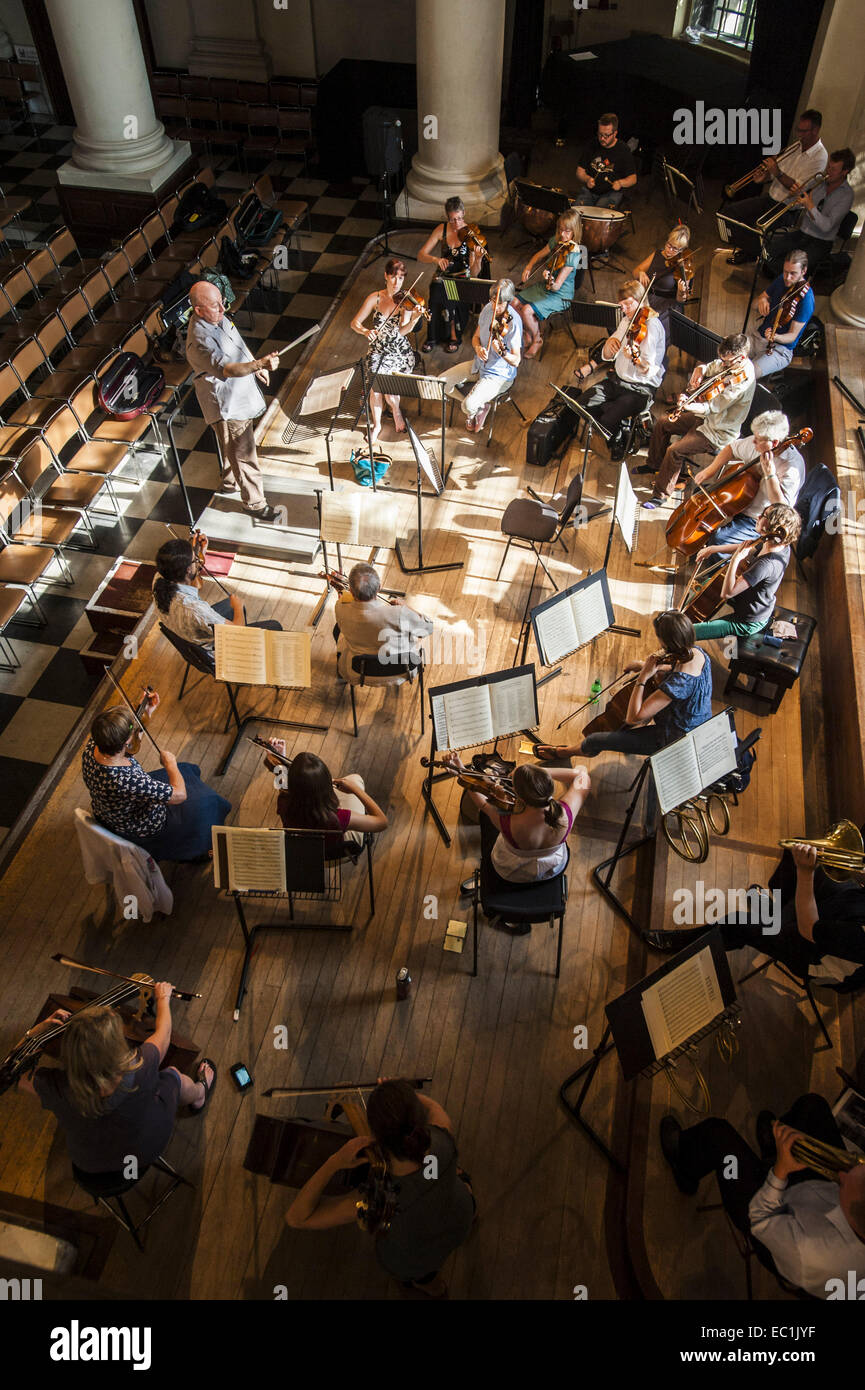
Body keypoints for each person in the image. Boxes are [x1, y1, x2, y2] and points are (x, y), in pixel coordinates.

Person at [285, 1078, 476, 1298]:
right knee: (460, 1184)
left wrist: (335, 1162)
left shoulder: (378, 1200)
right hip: (461, 1215)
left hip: (419, 1257)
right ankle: (474, 1217)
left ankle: (430, 1285)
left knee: (418, 1270)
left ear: (374, 1136)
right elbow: (434, 1107)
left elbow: (296, 1218)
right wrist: (399, 1098)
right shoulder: (441, 1139)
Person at [660, 1094, 865, 1298]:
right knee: (813, 1107)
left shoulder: (815, 1255)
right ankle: (773, 1152)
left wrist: (780, 1172)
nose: (843, 1174)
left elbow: (761, 1217)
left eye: (846, 1181)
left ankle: (683, 1164)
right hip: (816, 1199)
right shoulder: (850, 1197)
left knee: (718, 1138)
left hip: (770, 1223)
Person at [16, 992, 215, 1175]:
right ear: (115, 1045)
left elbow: (12, 1075)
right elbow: (164, 1032)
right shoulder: (140, 1064)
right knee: (172, 1075)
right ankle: (199, 1094)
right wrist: (163, 998)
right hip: (144, 1152)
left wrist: (34, 1035)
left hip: (89, 1164)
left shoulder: (54, 1087)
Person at [534, 610, 712, 763]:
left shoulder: (677, 684)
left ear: (667, 644)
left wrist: (643, 677)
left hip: (675, 737)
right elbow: (675, 667)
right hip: (699, 721)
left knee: (596, 739)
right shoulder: (697, 653)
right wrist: (643, 665)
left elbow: (633, 718)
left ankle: (563, 752)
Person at [82, 697, 230, 861]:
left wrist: (145, 713)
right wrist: (171, 764)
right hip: (141, 824)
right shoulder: (126, 780)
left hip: (109, 810)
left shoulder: (96, 745)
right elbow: (180, 795)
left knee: (187, 771)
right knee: (208, 803)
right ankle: (197, 850)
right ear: (125, 741)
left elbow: (129, 747)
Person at [185, 279, 280, 521]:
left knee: (233, 447)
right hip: (227, 404)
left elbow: (237, 343)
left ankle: (229, 483)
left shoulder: (217, 317)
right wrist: (259, 364)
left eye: (222, 302)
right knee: (244, 452)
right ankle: (255, 504)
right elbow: (226, 369)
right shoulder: (199, 340)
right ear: (198, 310)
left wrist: (256, 366)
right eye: (215, 305)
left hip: (240, 394)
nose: (222, 308)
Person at [444, 759, 590, 905]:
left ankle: (490, 880)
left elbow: (482, 803)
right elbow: (582, 776)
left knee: (486, 817)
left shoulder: (507, 821)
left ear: (519, 796)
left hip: (510, 873)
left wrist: (461, 772)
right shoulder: (566, 813)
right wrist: (539, 774)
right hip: (551, 870)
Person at [640, 334, 755, 506]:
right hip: (704, 418)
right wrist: (700, 369)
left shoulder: (740, 383)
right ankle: (654, 464)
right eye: (722, 360)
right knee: (663, 423)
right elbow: (713, 367)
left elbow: (711, 407)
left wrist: (687, 405)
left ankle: (661, 495)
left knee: (675, 450)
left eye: (727, 362)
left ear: (742, 357)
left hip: (718, 431)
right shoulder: (730, 364)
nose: (723, 364)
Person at [682, 409, 805, 550]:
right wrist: (710, 470)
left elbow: (781, 508)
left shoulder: (792, 468)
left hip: (757, 518)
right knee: (699, 495)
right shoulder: (757, 443)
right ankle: (693, 540)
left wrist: (770, 474)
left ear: (775, 442)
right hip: (737, 500)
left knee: (719, 540)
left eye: (758, 439)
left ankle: (713, 566)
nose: (753, 441)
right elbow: (731, 449)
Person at [571, 278, 665, 461]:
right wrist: (608, 344)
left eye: (628, 305)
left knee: (605, 421)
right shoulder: (628, 320)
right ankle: (618, 423)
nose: (624, 310)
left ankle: (617, 438)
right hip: (617, 381)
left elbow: (648, 369)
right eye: (621, 305)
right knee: (582, 404)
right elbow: (607, 355)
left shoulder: (652, 328)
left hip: (640, 389)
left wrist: (635, 360)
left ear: (641, 301)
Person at [725, 110, 827, 264]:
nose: (799, 134)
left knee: (755, 229)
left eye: (803, 131)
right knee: (731, 212)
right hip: (770, 198)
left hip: (786, 209)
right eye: (798, 129)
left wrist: (776, 172)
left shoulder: (820, 157)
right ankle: (748, 249)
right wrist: (764, 177)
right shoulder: (797, 146)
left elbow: (798, 188)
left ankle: (750, 253)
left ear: (815, 130)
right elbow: (775, 174)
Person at [689, 503, 801, 642]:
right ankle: (683, 617)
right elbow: (747, 547)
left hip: (748, 620)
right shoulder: (776, 543)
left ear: (774, 527)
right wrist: (713, 549)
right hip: (747, 600)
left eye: (763, 515)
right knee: (707, 586)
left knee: (689, 632)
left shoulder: (766, 565)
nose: (758, 516)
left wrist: (736, 559)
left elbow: (727, 593)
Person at [153, 535, 281, 648]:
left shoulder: (159, 578)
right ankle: (241, 648)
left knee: (227, 606)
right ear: (187, 569)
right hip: (210, 648)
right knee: (274, 626)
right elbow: (238, 629)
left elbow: (191, 579)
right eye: (195, 559)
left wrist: (201, 552)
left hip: (184, 635)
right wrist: (238, 608)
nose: (197, 560)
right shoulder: (196, 609)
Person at [350, 258, 423, 442]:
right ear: (386, 276)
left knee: (388, 386)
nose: (396, 283)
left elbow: (402, 331)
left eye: (400, 278)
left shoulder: (405, 301)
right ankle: (377, 425)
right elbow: (354, 323)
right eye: (393, 277)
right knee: (376, 385)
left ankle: (396, 410)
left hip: (399, 351)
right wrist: (365, 331)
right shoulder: (375, 297)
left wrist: (414, 319)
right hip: (377, 349)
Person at [263, 745, 387, 853]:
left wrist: (279, 757)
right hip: (336, 854)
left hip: (303, 852)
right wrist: (355, 789)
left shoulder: (284, 801)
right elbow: (382, 822)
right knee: (355, 778)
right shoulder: (338, 818)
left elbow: (280, 777)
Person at [333, 562, 432, 686]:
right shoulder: (398, 613)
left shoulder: (340, 607)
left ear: (351, 592)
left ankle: (341, 680)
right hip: (402, 669)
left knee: (337, 630)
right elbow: (428, 628)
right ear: (379, 588)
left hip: (361, 672)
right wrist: (407, 608)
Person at [767, 147, 856, 277]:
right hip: (802, 233)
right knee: (769, 252)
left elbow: (826, 226)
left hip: (821, 242)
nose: (828, 172)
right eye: (828, 167)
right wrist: (795, 194)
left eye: (833, 169)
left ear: (844, 172)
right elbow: (797, 197)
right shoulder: (819, 181)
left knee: (788, 270)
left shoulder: (847, 195)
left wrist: (809, 205)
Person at [418, 196, 488, 354]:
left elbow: (474, 272)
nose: (456, 224)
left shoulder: (471, 234)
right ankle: (432, 337)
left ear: (464, 213)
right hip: (443, 274)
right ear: (447, 217)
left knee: (451, 299)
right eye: (452, 220)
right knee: (435, 296)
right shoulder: (441, 229)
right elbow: (421, 254)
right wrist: (436, 259)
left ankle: (454, 337)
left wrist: (477, 258)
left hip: (462, 277)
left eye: (459, 219)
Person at [515, 209, 585, 358]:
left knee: (526, 310)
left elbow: (557, 286)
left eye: (567, 231)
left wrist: (549, 279)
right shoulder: (556, 240)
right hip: (546, 287)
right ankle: (528, 330)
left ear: (574, 232)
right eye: (560, 230)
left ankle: (537, 338)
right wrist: (529, 266)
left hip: (560, 294)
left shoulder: (574, 252)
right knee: (514, 302)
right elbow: (539, 255)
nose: (563, 235)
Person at [460, 277, 522, 432]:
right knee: (442, 384)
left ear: (508, 301)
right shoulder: (488, 309)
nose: (495, 307)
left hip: (499, 375)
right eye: (493, 301)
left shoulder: (514, 323)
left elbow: (516, 361)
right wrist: (478, 348)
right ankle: (481, 403)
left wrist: (502, 352)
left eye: (500, 303)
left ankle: (476, 409)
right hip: (479, 364)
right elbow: (475, 338)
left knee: (467, 406)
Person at [748, 249, 814, 380]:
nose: (787, 278)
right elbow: (754, 304)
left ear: (804, 271)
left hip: (780, 349)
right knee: (728, 350)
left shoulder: (806, 300)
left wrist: (775, 336)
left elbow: (792, 336)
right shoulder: (781, 279)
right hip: (759, 337)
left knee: (748, 374)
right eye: (785, 272)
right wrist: (762, 300)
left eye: (793, 274)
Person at [633, 224, 694, 337]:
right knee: (625, 321)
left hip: (666, 305)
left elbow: (681, 300)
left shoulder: (684, 267)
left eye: (675, 249)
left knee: (650, 333)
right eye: (668, 245)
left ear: (682, 250)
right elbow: (635, 271)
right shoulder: (658, 254)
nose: (669, 250)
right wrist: (641, 272)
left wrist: (681, 291)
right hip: (648, 297)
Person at [575, 113, 637, 210]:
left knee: (599, 215)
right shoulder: (592, 144)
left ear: (615, 133)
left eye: (606, 135)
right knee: (575, 213)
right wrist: (587, 179)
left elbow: (633, 178)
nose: (602, 138)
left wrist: (620, 183)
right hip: (590, 191)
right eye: (600, 134)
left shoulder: (623, 150)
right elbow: (579, 171)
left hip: (611, 193)